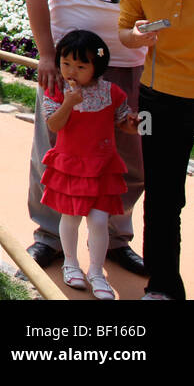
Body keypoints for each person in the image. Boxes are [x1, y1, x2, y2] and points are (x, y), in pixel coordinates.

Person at [24, 0, 147, 275]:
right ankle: (49, 235)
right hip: (69, 66)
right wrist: (46, 54)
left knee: (130, 152)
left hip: (132, 64)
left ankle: (115, 236)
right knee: (55, 149)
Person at [117, 0, 194, 300]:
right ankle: (163, 287)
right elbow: (125, 33)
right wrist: (145, 32)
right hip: (157, 99)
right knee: (163, 196)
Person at [39, 30, 139, 300]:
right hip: (71, 165)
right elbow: (54, 124)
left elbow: (122, 123)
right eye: (66, 63)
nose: (72, 71)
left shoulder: (111, 92)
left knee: (98, 219)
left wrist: (134, 124)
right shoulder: (57, 91)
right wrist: (69, 103)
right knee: (70, 215)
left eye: (81, 66)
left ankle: (96, 272)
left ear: (97, 67)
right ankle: (70, 263)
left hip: (101, 167)